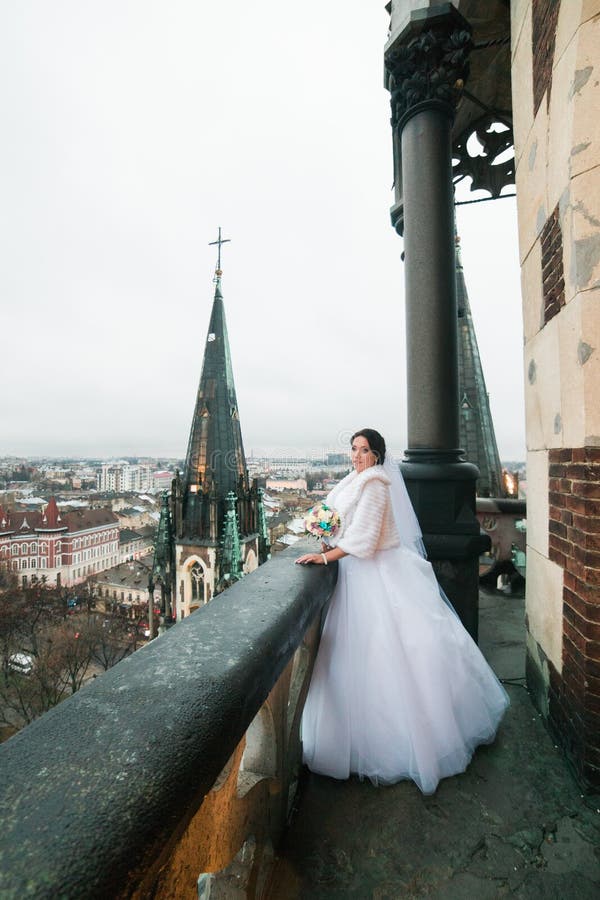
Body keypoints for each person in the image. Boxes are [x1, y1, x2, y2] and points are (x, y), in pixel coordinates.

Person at [296, 428, 509, 795]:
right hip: (356, 575)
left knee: (390, 655)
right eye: (353, 449)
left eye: (365, 450)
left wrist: (324, 555)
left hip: (376, 574)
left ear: (378, 455)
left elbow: (363, 539)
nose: (358, 455)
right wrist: (322, 530)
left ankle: (409, 741)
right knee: (358, 659)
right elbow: (338, 521)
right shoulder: (353, 480)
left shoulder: (376, 484)